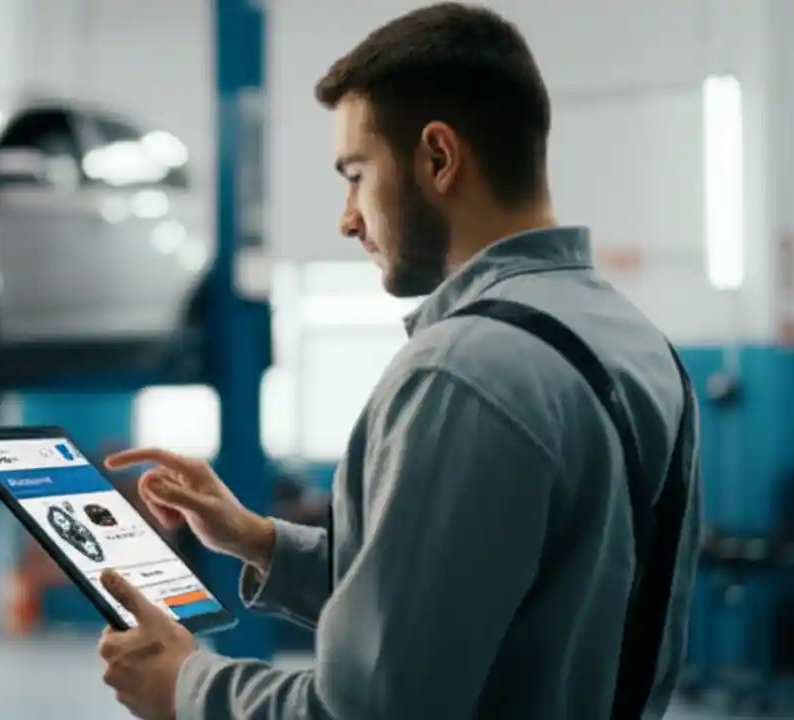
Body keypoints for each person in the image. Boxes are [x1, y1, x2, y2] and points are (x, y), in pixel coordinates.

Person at [92, 3, 701, 719]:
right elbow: (464, 606)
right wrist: (257, 540)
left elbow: (371, 710)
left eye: (356, 174)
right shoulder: (636, 344)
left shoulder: (462, 372)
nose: (347, 217)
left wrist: (184, 685)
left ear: (438, 158)